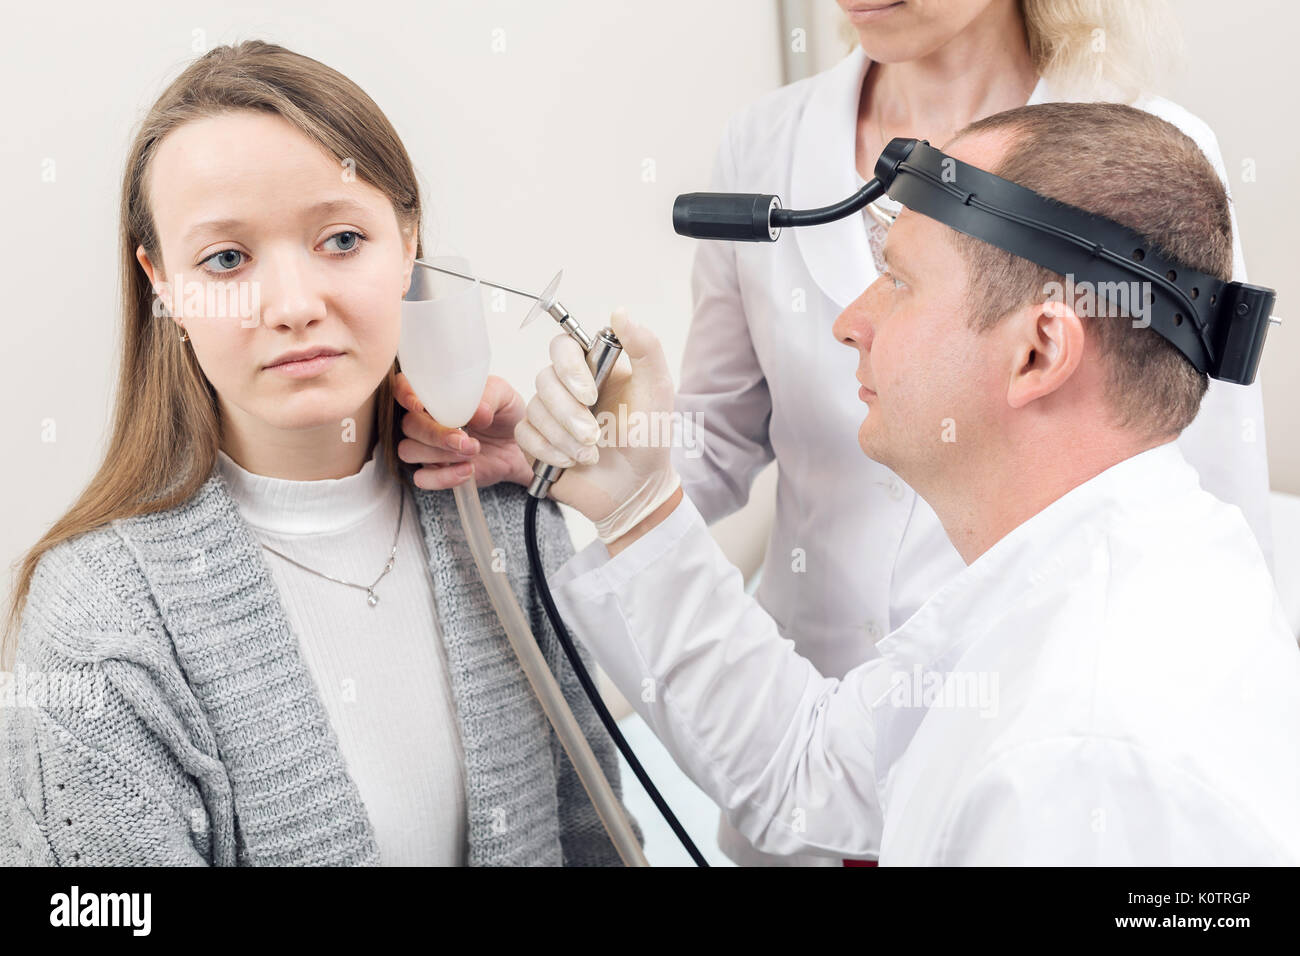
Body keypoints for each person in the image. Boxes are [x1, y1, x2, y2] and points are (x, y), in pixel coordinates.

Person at [395, 0, 1274, 866]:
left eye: (897, 278)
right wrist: (626, 497)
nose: (847, 322)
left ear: (1043, 349)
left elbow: (1184, 447)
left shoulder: (1082, 751)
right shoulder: (1011, 619)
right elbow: (809, 777)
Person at [0, 40, 636, 867]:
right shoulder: (97, 620)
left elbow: (600, 838)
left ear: (408, 240)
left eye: (340, 239)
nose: (296, 306)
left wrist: (618, 501)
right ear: (163, 284)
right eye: (226, 260)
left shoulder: (508, 517)